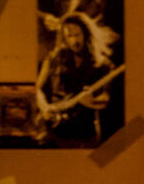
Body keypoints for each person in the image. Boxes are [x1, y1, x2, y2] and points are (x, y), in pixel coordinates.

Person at [34, 12, 115, 146]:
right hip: (54, 134)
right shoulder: (54, 58)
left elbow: (105, 99)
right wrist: (44, 108)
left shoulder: (102, 64)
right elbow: (36, 89)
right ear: (63, 38)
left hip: (85, 136)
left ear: (86, 34)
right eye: (69, 36)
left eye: (77, 35)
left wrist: (91, 102)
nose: (74, 41)